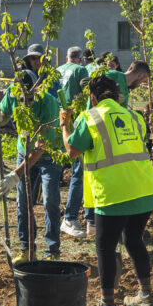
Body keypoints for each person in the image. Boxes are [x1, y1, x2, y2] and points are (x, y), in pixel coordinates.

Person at [60, 74, 153, 306]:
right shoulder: (134, 116)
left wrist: (65, 125)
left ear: (93, 98)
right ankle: (146, 296)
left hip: (115, 193)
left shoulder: (91, 117)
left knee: (105, 247)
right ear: (118, 95)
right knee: (134, 240)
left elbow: (72, 151)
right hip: (145, 190)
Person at [0, 70, 64, 259]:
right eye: (22, 98)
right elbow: (4, 115)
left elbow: (40, 148)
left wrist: (16, 174)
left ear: (37, 89)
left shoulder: (48, 104)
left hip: (49, 155)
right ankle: (27, 248)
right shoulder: (13, 94)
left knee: (50, 201)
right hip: (24, 151)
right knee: (23, 202)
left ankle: (52, 251)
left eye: (29, 98)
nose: (26, 103)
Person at [82, 60, 152, 238]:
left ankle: (114, 225)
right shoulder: (114, 77)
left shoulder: (125, 88)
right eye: (143, 82)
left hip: (114, 139)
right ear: (141, 75)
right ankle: (91, 220)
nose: (141, 85)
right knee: (86, 176)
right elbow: (94, 100)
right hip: (97, 136)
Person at [58, 47, 89, 239]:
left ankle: (53, 215)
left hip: (58, 122)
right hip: (75, 124)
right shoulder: (80, 70)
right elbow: (87, 94)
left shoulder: (58, 70)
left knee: (52, 169)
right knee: (79, 171)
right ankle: (70, 217)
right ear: (80, 59)